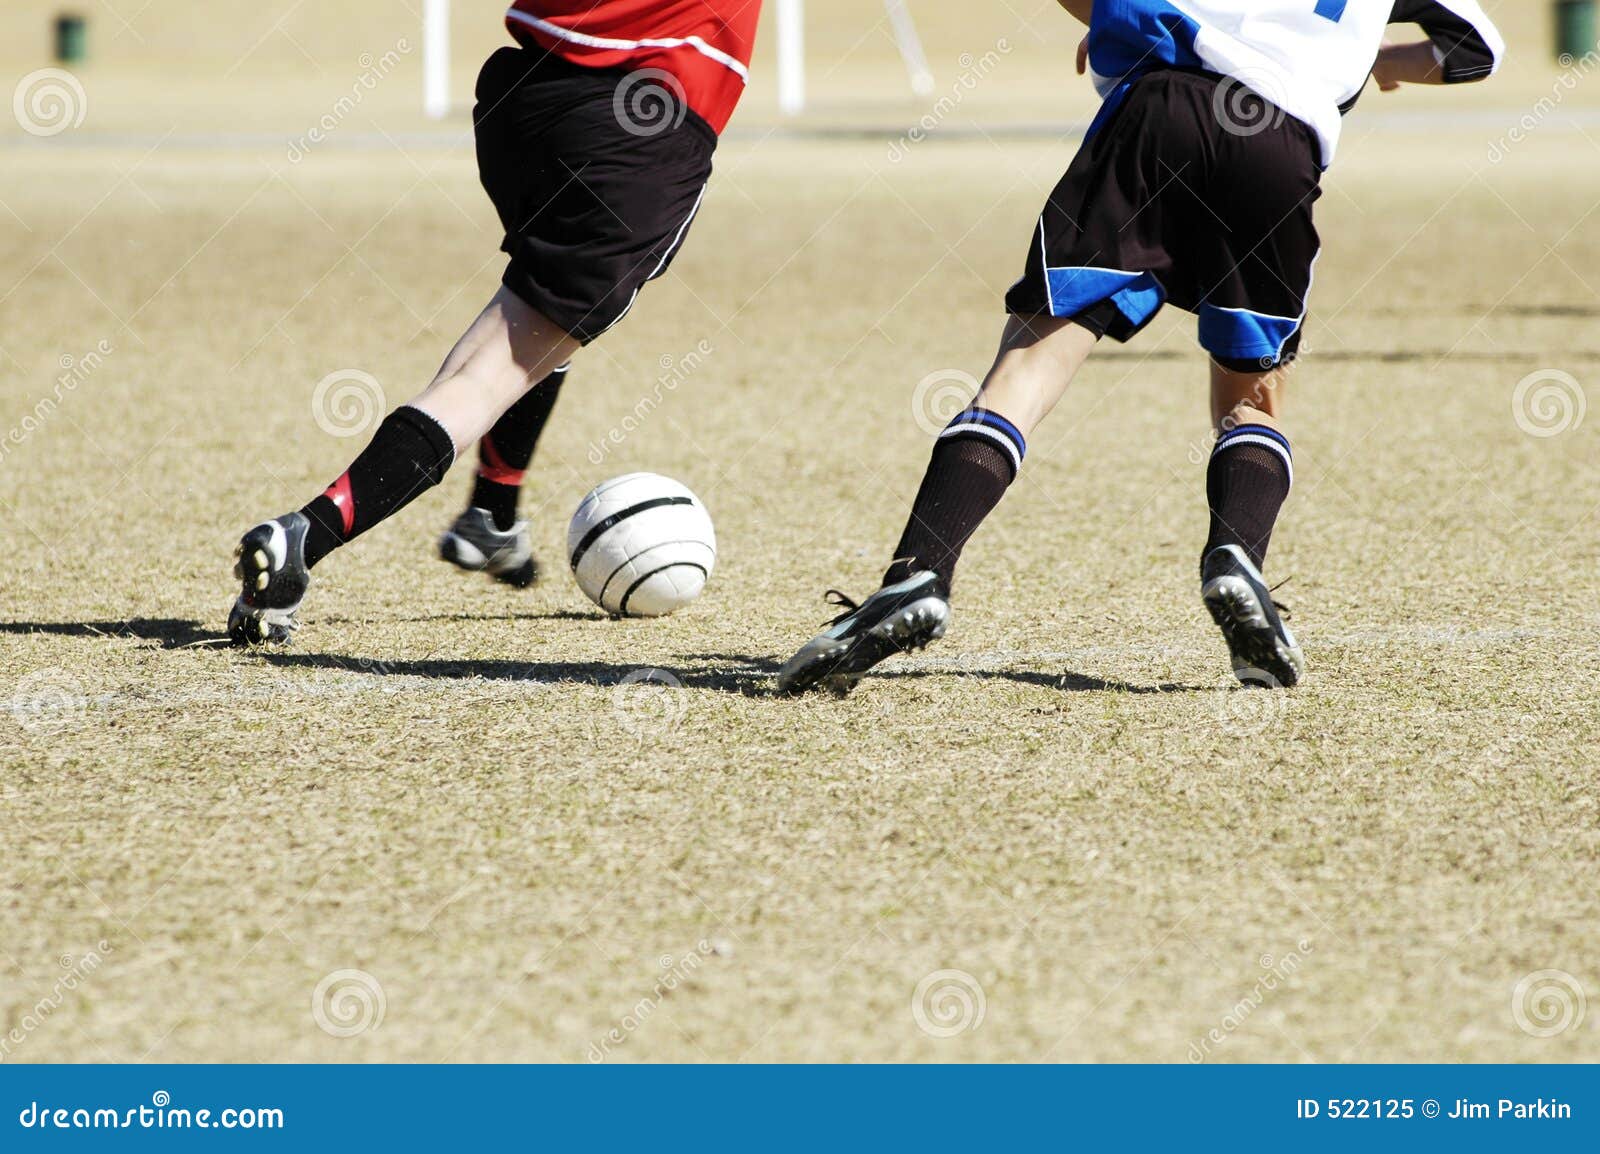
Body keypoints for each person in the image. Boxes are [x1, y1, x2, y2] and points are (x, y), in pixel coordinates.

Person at [777, 0, 1504, 694]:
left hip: (1160, 111)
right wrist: (1379, 57)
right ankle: (1237, 560)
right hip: (1282, 139)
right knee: (1251, 400)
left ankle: (920, 570)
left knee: (1028, 365)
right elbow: (1476, 52)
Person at [228, 0, 759, 644]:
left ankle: (493, 513)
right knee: (491, 372)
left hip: (523, 99)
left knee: (543, 318)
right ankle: (306, 536)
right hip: (642, 119)